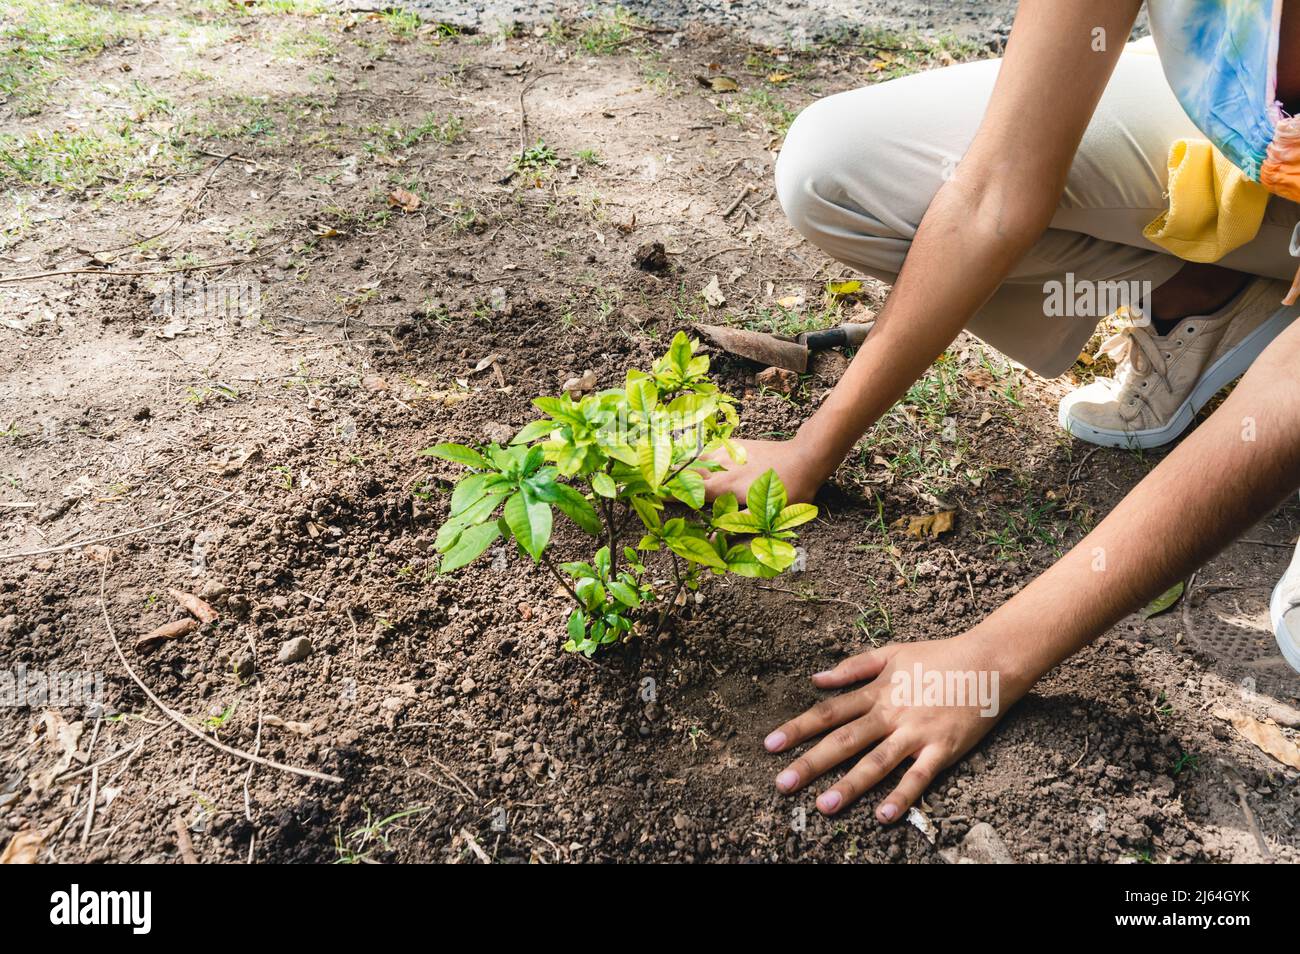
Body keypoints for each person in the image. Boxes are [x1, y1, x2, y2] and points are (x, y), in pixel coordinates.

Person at [700, 0, 1300, 823]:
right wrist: (810, 450)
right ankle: (1212, 288)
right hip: (1260, 144)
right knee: (833, 166)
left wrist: (991, 658)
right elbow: (993, 192)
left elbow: (1287, 395)